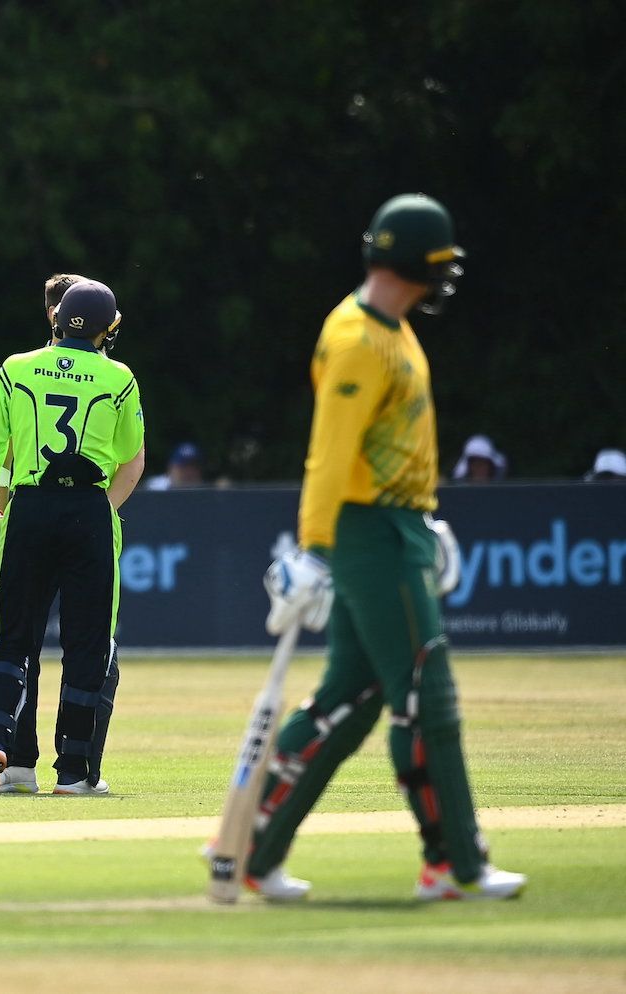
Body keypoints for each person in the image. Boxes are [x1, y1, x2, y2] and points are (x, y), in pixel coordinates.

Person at [252, 193, 526, 901]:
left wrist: (423, 519)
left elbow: (392, 442)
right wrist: (315, 548)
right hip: (370, 532)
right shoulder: (358, 338)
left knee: (351, 697)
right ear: (415, 261)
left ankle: (252, 845)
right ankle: (456, 863)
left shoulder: (394, 329)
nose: (445, 276)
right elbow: (330, 452)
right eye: (439, 262)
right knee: (426, 692)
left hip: (397, 524)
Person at [0, 272, 143, 795]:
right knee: (87, 644)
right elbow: (129, 454)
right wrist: (100, 511)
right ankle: (74, 772)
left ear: (56, 318)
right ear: (109, 327)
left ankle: (3, 750)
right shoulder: (119, 377)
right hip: (89, 510)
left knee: (12, 637)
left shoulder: (16, 367)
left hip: (29, 508)